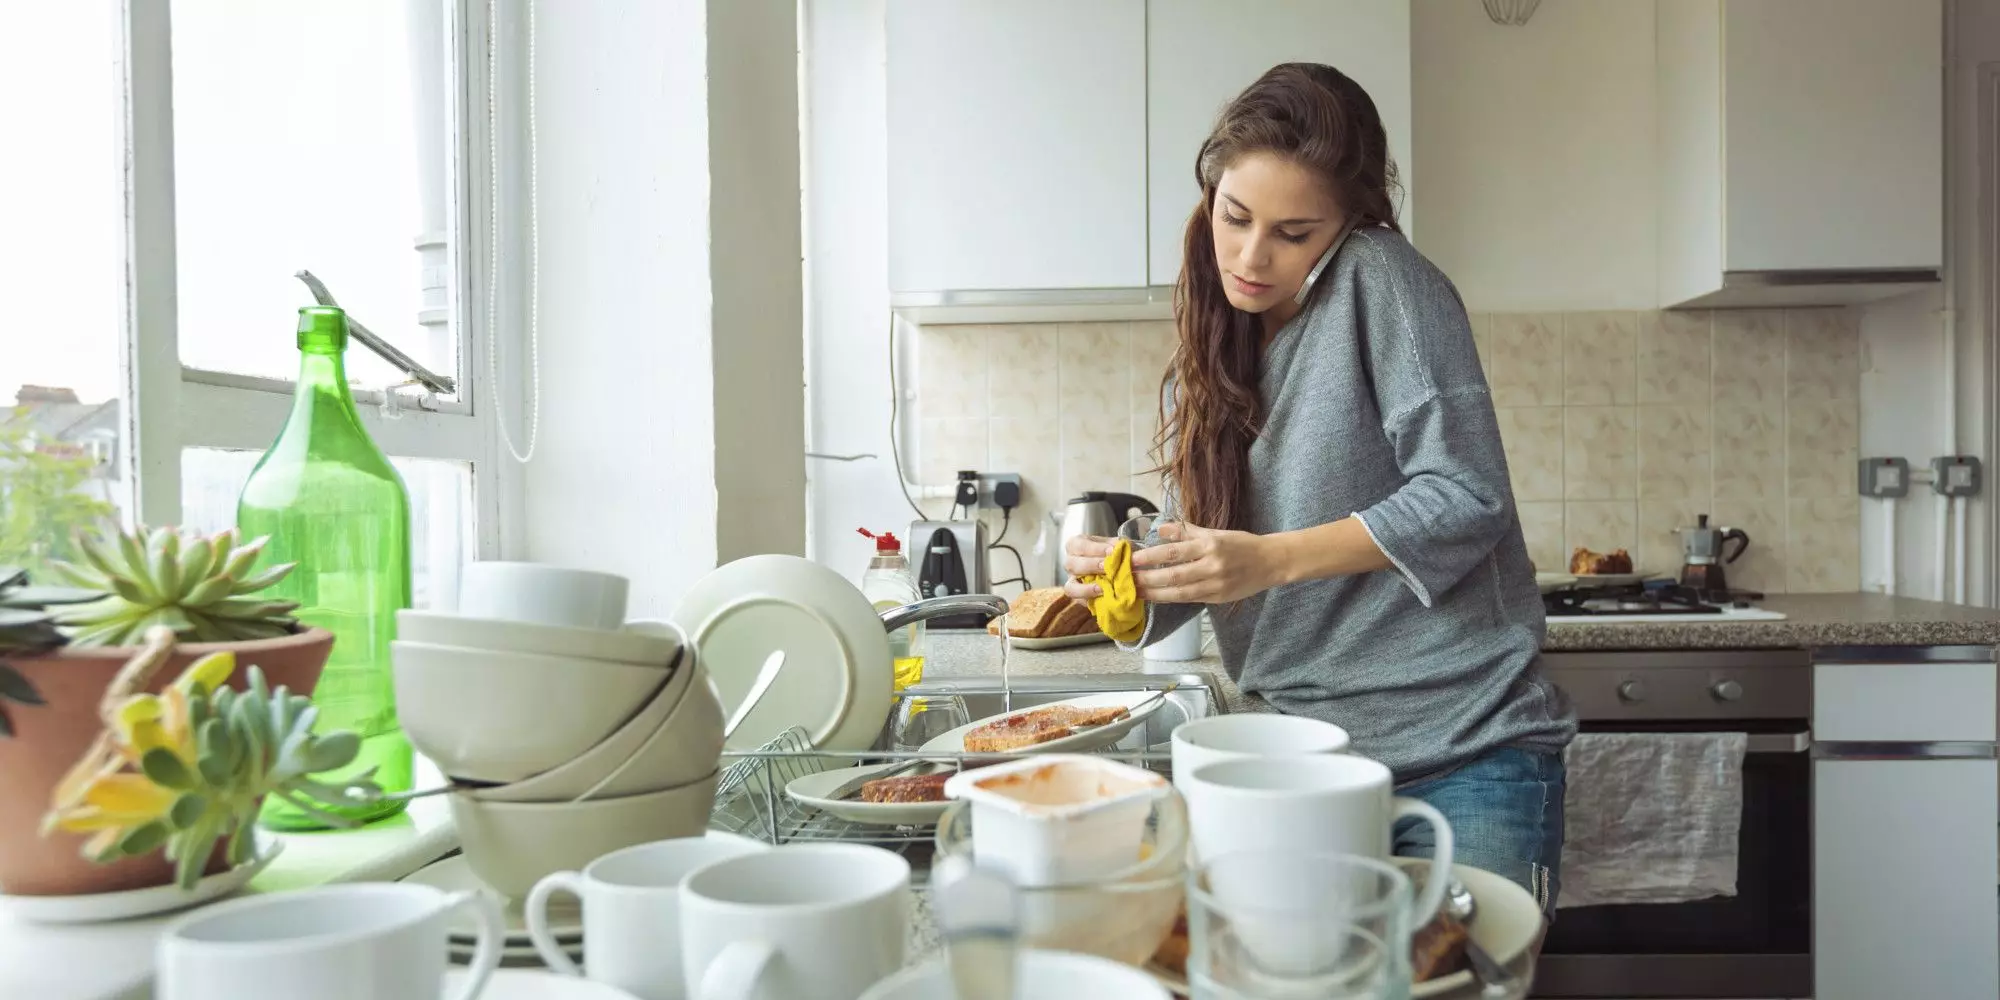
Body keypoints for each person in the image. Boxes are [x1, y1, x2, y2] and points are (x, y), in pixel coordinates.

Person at [1063, 63, 1576, 913]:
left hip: (1466, 753)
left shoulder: (1384, 280)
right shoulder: (1206, 359)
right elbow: (1231, 554)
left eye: (1294, 233)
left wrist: (1267, 561)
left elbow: (1466, 493)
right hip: (1297, 763)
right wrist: (1134, 579)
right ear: (1212, 193)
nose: (1252, 256)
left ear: (1349, 225)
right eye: (1235, 218)